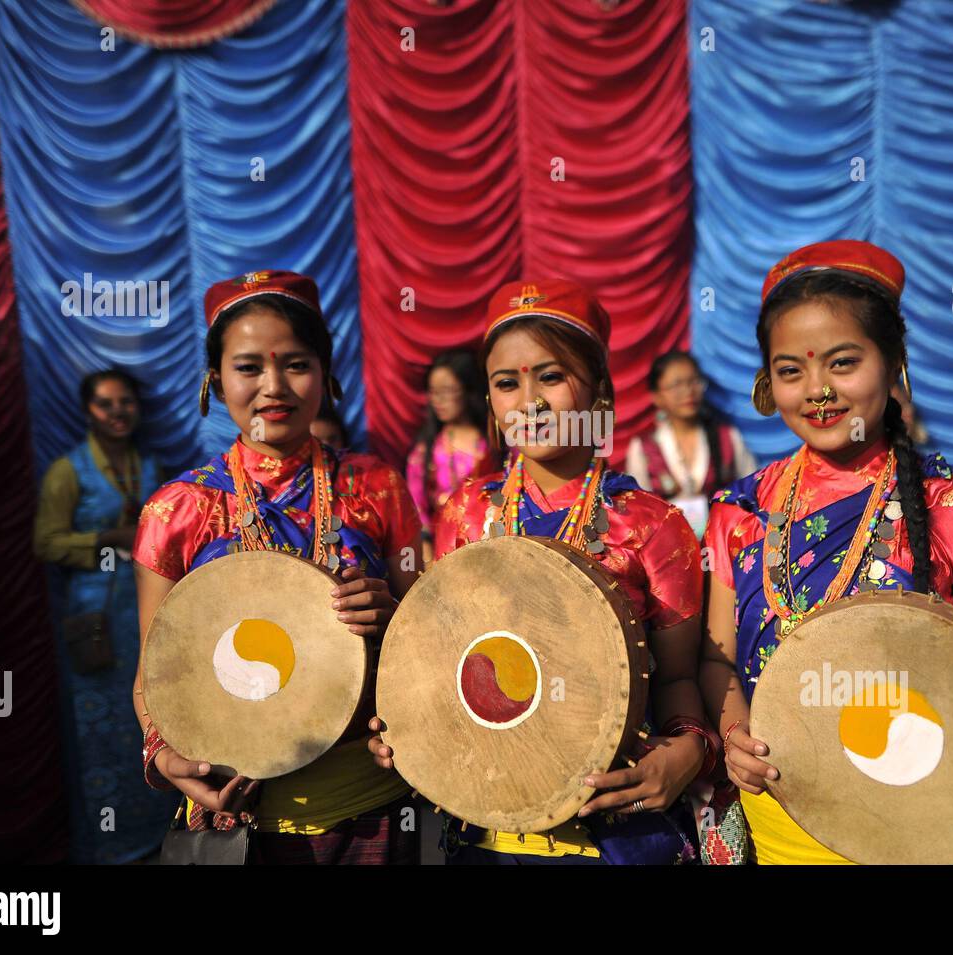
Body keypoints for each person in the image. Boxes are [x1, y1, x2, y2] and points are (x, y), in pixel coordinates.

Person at [698, 240, 953, 864]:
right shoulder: (739, 513)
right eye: (791, 370)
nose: (818, 390)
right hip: (774, 823)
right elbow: (716, 664)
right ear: (767, 381)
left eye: (843, 362)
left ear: (895, 363)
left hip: (911, 827)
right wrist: (734, 734)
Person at [369, 279, 716, 865]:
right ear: (490, 403)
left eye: (551, 377)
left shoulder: (653, 526)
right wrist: (405, 724)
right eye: (507, 384)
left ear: (600, 395)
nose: (528, 402)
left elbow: (680, 679)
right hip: (488, 830)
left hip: (618, 831)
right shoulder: (464, 514)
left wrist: (687, 752)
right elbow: (448, 662)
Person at [132, 270, 423, 865]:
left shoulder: (377, 486)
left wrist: (395, 616)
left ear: (327, 374)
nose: (273, 387)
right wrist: (165, 757)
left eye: (295, 363)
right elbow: (154, 678)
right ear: (214, 381)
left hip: (372, 803)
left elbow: (428, 650)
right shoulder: (178, 509)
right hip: (240, 810)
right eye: (248, 368)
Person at [33, 369, 175, 863]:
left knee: (154, 723)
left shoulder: (152, 466)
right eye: (106, 405)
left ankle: (159, 835)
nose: (118, 413)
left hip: (145, 617)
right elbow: (46, 542)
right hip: (94, 622)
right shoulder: (67, 471)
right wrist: (104, 541)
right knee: (101, 736)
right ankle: (111, 848)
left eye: (126, 403)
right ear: (87, 411)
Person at [625, 351, 756, 537]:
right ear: (657, 396)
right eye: (677, 385)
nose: (688, 391)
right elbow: (637, 511)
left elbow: (751, 491)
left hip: (723, 543)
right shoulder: (643, 448)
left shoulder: (727, 437)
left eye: (694, 382)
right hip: (667, 551)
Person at [404, 350, 495, 564]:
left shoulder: (494, 444)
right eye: (433, 392)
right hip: (444, 552)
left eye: (446, 391)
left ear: (468, 389)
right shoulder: (426, 452)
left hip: (496, 543)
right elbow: (417, 512)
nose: (438, 400)